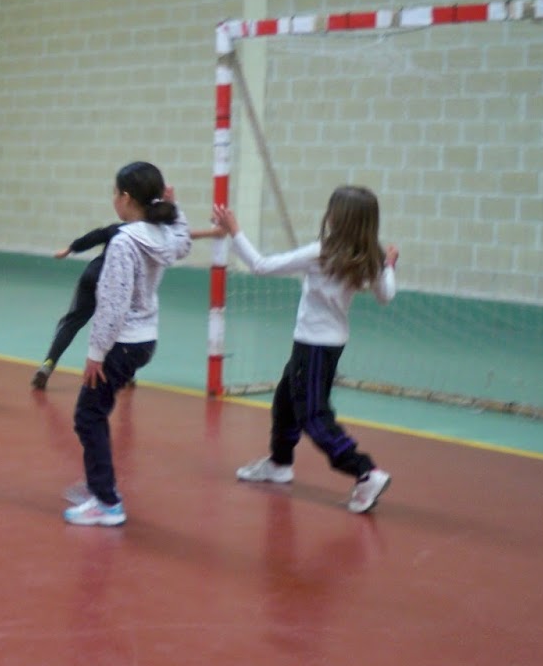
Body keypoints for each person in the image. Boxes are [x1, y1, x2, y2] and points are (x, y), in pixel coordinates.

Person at [214, 187, 398, 513]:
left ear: (335, 217)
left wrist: (235, 232)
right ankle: (280, 463)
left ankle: (364, 471)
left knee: (313, 416)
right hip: (328, 346)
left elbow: (261, 265)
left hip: (313, 348)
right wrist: (389, 266)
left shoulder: (321, 253)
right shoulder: (371, 257)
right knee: (285, 402)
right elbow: (386, 295)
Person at [63, 161, 192, 527]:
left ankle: (106, 501)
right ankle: (98, 485)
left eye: (114, 193)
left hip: (120, 343)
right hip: (144, 339)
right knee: (96, 411)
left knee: (88, 416)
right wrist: (176, 207)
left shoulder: (124, 243)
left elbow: (113, 304)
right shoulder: (161, 234)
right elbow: (182, 242)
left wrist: (95, 354)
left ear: (125, 198)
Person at [33, 218, 226, 390]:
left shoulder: (120, 229)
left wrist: (70, 249)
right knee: (123, 324)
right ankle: (128, 374)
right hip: (111, 280)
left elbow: (95, 236)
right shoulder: (149, 237)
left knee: (72, 321)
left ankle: (48, 364)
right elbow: (182, 236)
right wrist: (214, 233)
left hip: (91, 275)